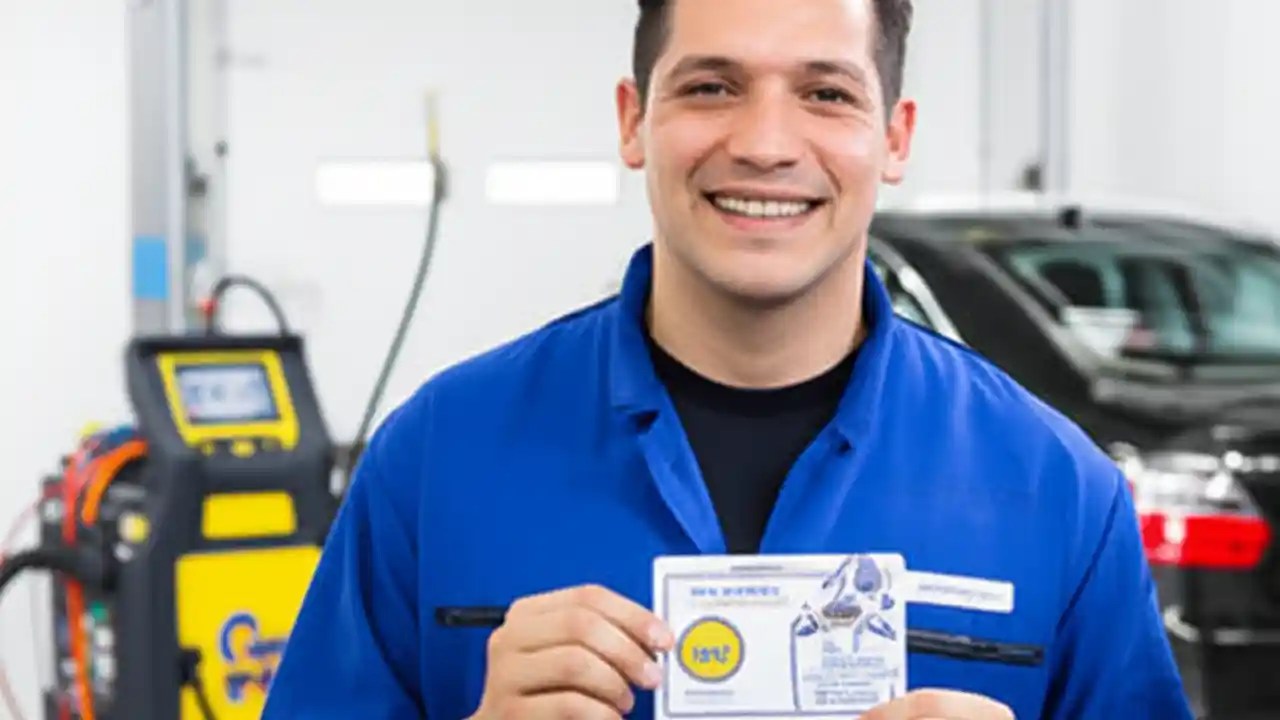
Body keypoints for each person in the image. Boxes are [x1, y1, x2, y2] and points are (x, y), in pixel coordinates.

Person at [262, 0, 1194, 717]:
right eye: (711, 86)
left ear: (895, 137)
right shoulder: (436, 460)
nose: (764, 144)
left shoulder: (1058, 491)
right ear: (633, 122)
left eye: (826, 93)